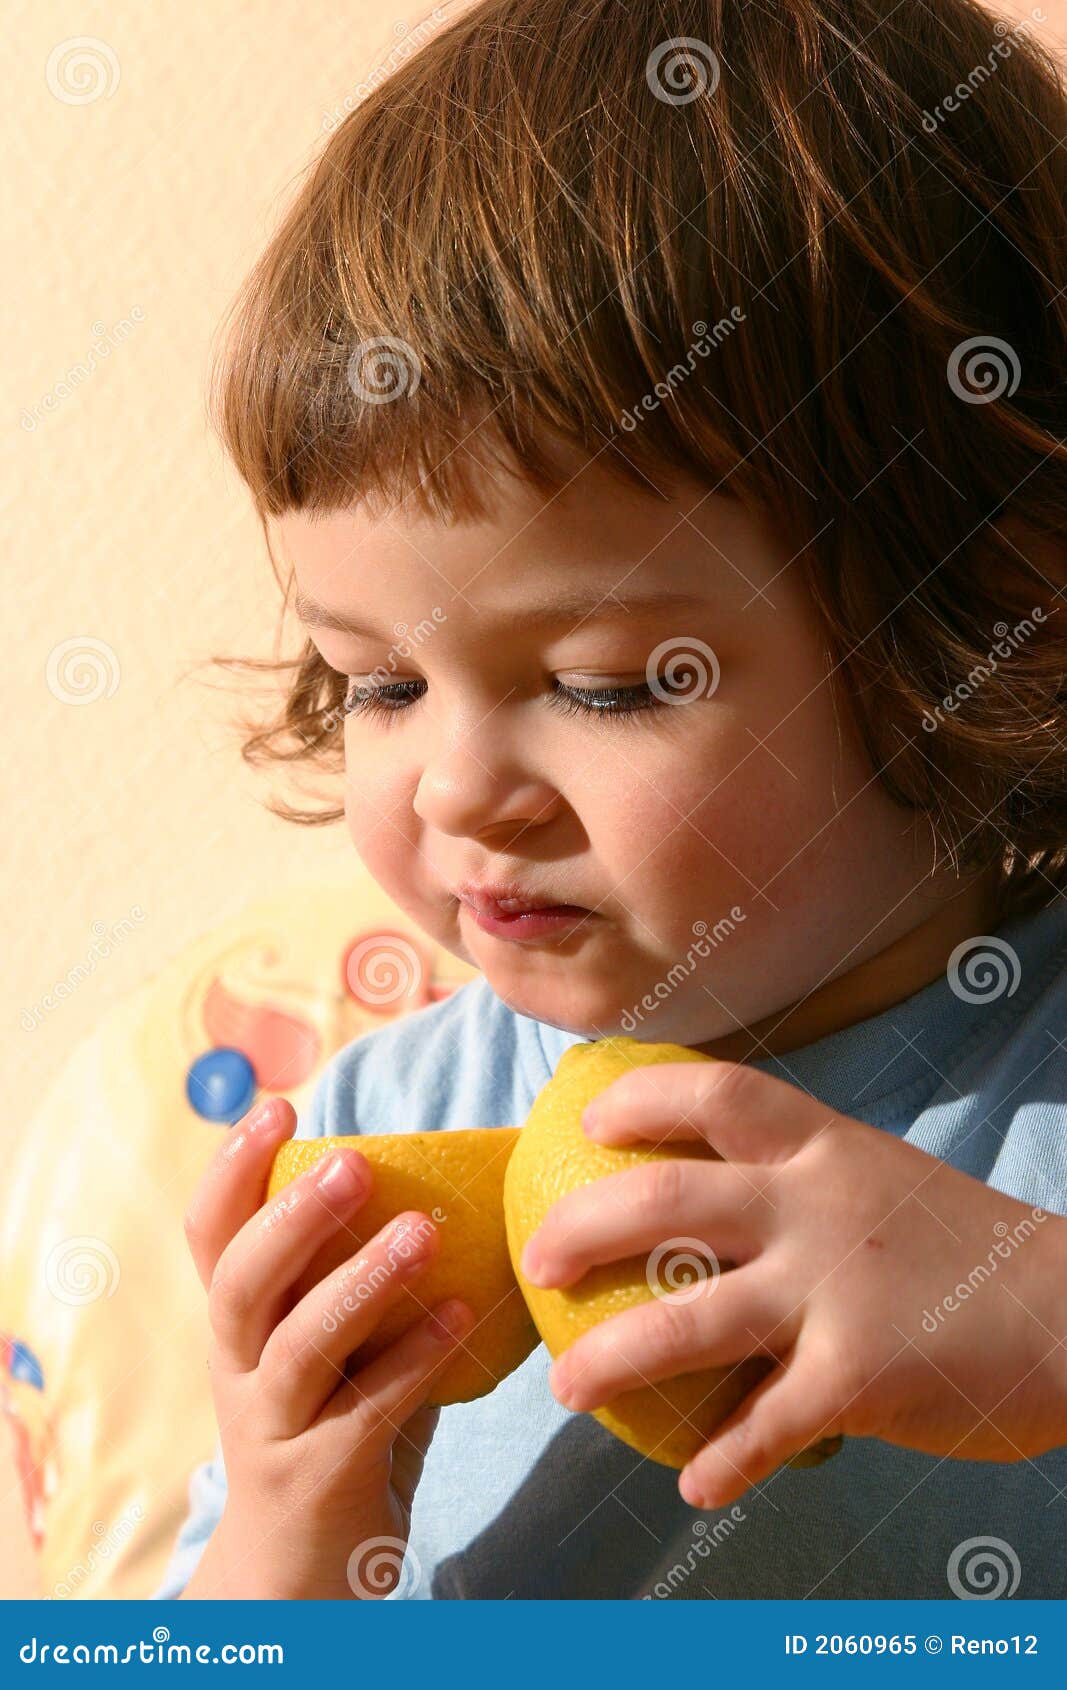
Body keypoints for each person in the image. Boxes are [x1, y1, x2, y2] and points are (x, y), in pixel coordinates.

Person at [154, 0, 1067, 1599]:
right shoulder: (378, 1139)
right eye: (378, 682)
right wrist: (291, 1530)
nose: (456, 787)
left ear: (982, 611)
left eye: (604, 683)